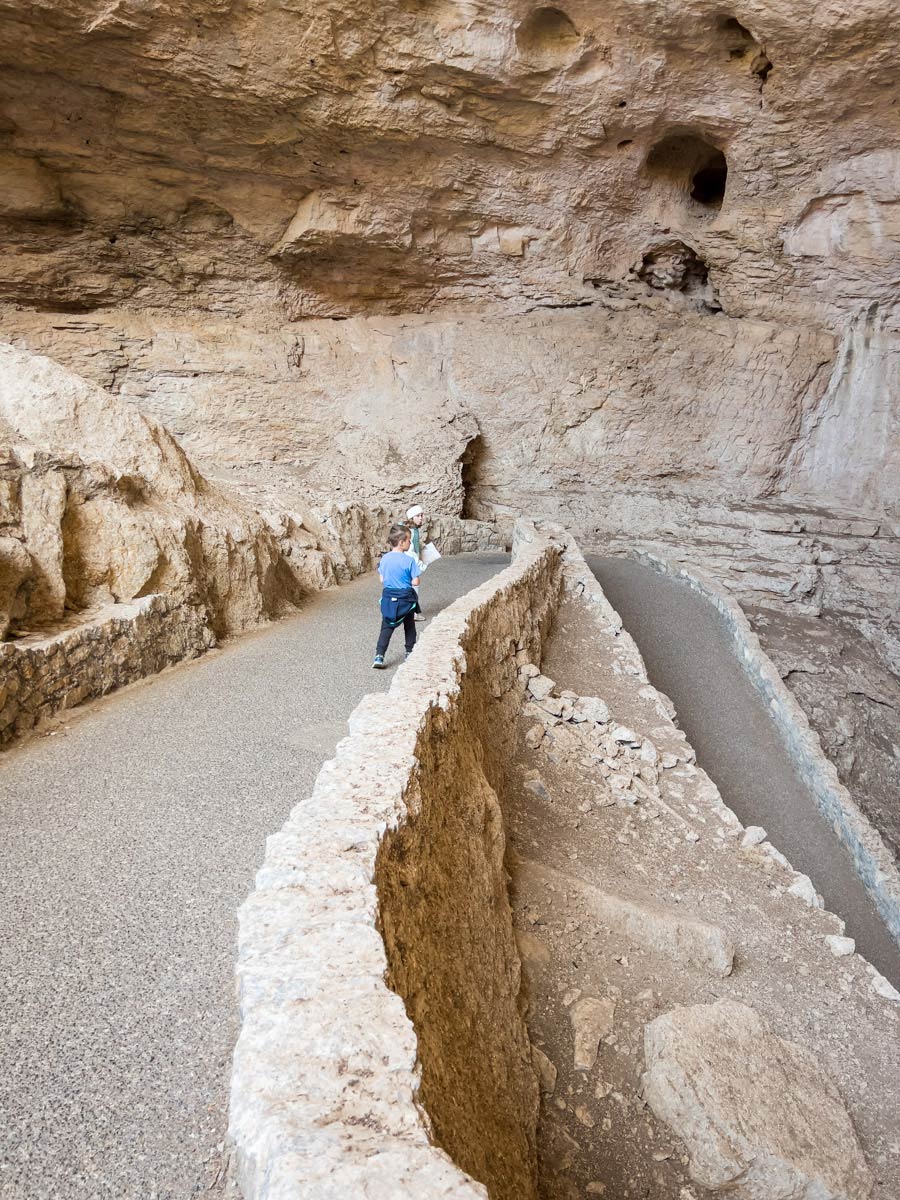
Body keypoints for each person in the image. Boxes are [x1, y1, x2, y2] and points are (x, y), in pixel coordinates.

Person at [373, 524, 420, 669]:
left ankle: (379, 656)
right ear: (401, 542)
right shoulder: (409, 560)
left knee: (386, 627)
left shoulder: (385, 559)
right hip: (405, 598)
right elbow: (416, 581)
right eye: (408, 540)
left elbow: (382, 579)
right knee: (409, 626)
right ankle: (409, 651)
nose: (410, 543)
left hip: (389, 597)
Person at [404, 504, 427, 621]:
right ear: (411, 518)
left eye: (422, 515)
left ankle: (410, 612)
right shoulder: (410, 532)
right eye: (418, 516)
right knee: (414, 584)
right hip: (409, 562)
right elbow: (410, 551)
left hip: (408, 562)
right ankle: (412, 613)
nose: (421, 518)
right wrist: (419, 564)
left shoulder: (414, 530)